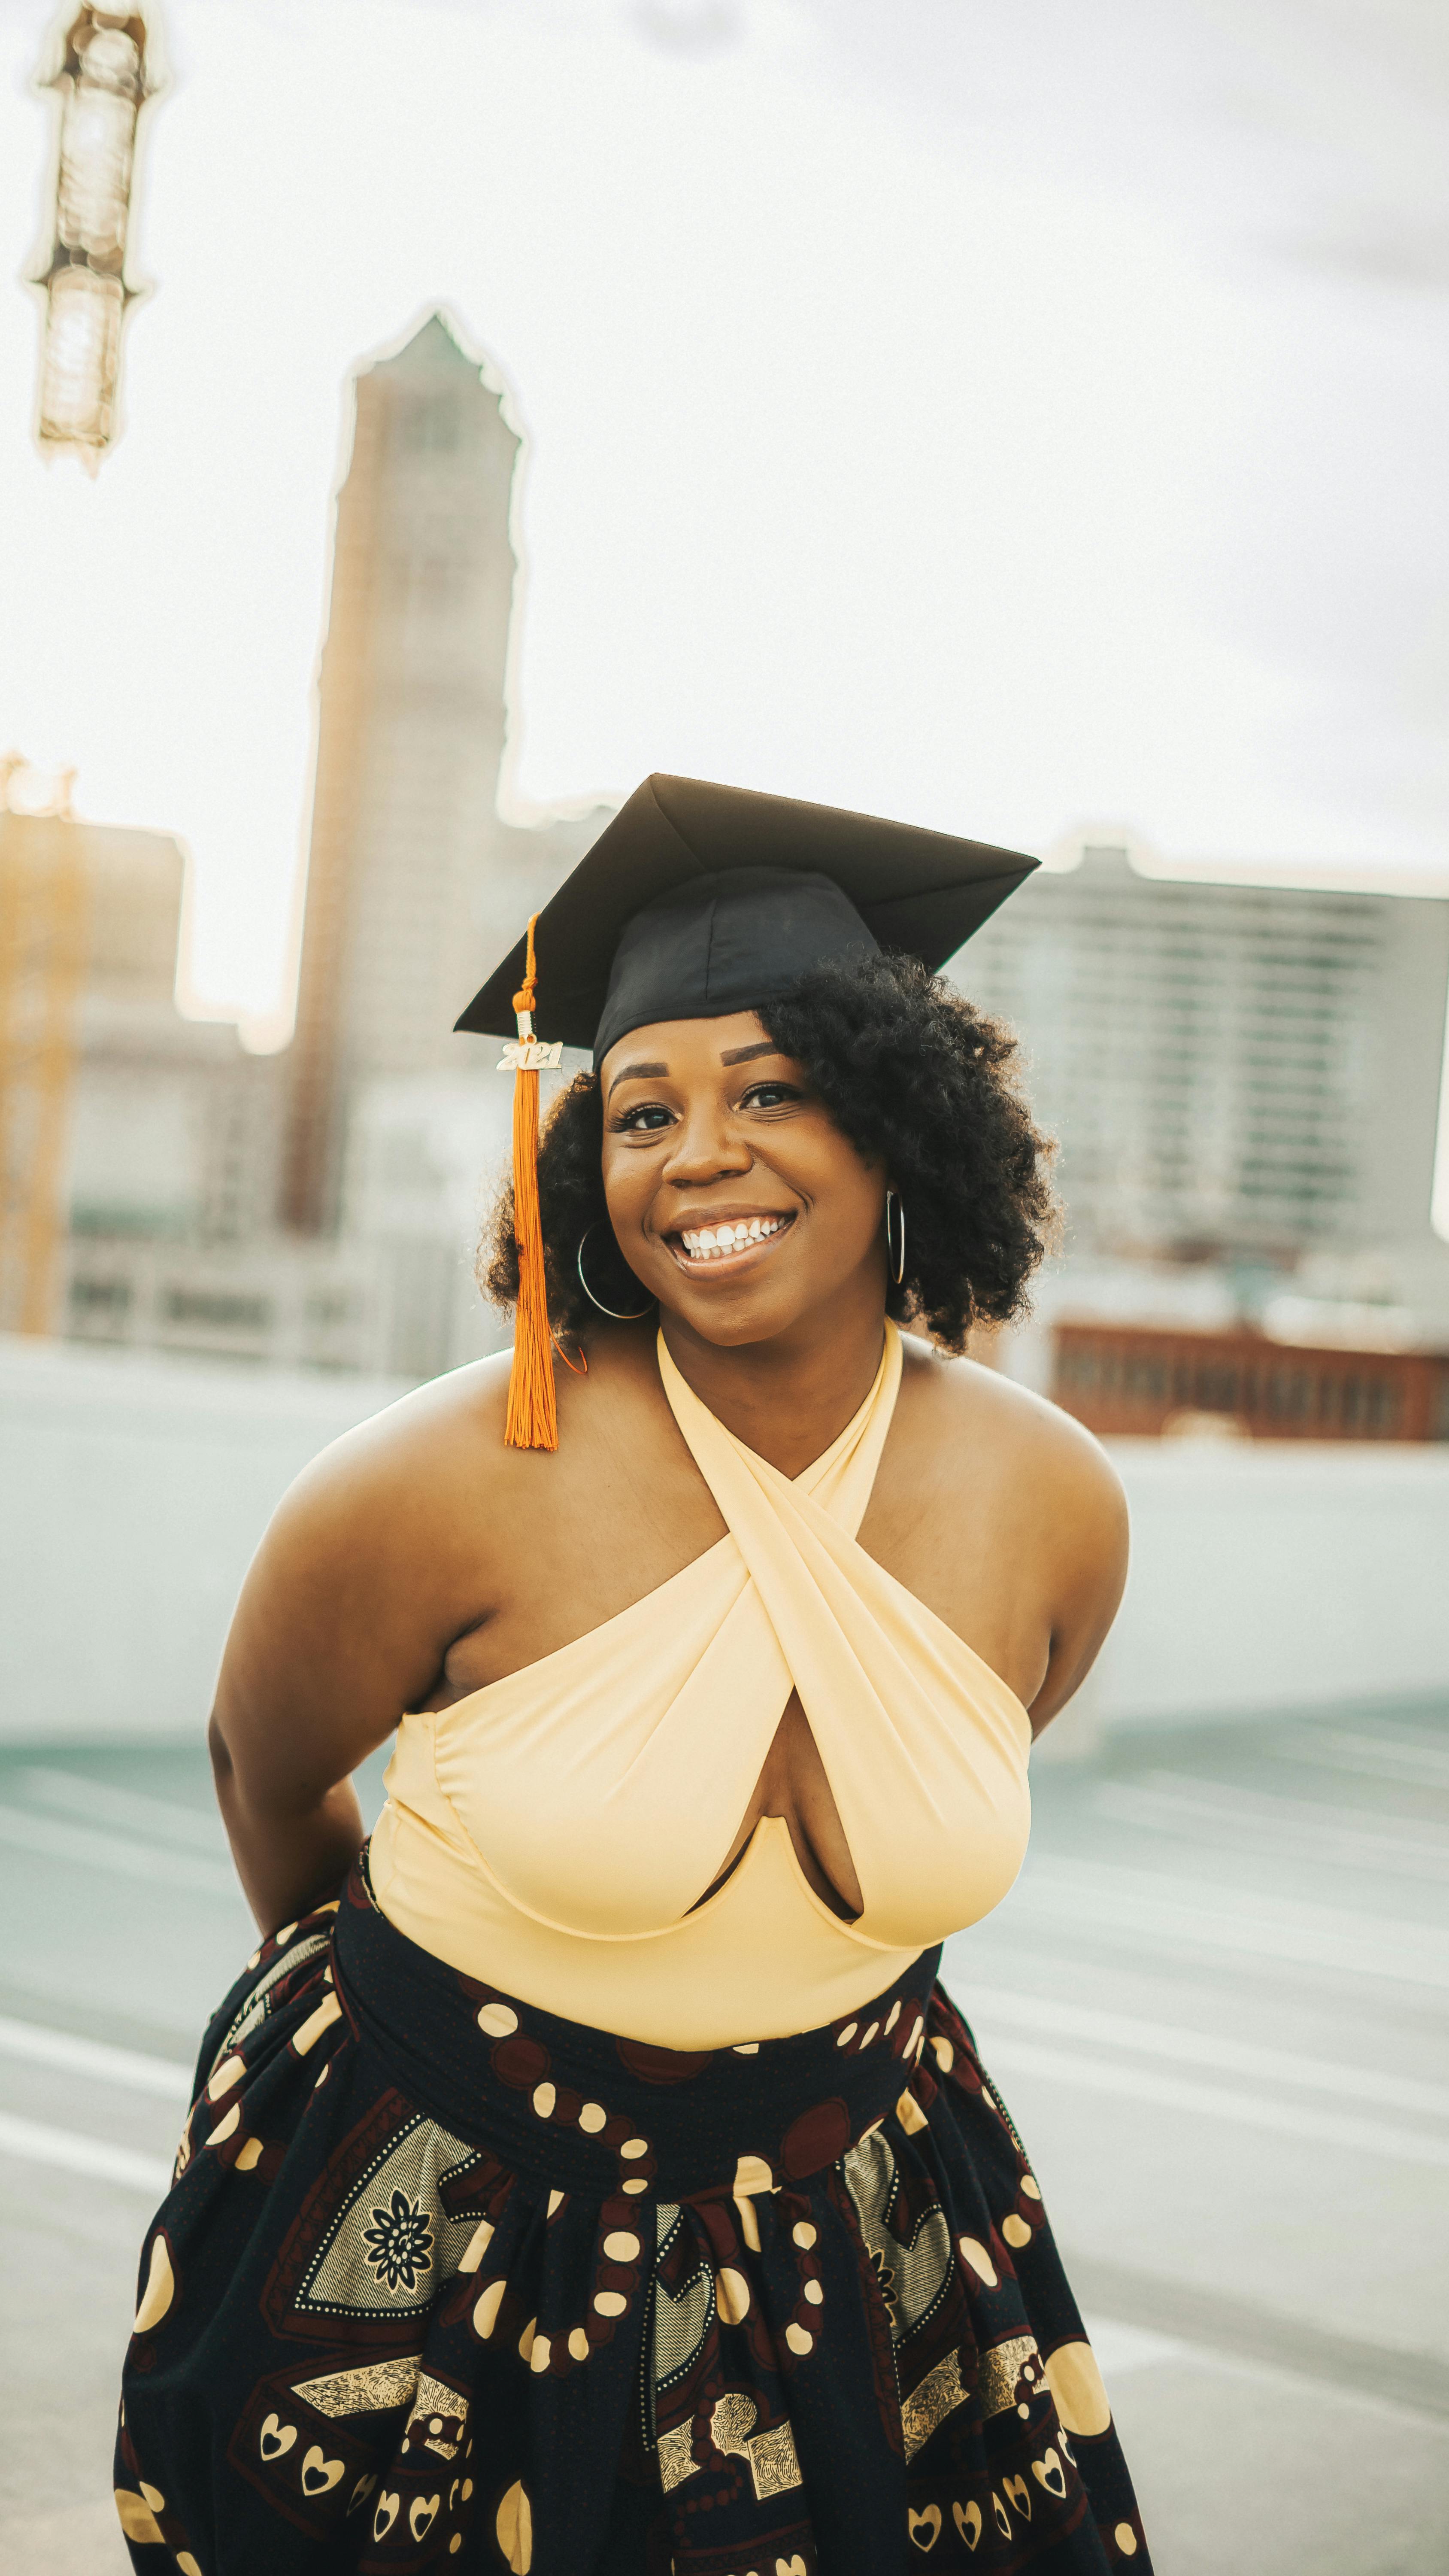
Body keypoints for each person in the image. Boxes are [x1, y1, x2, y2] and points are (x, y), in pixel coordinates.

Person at [115, 775, 1146, 2575]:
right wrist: (421, 2046)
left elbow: (945, 1799)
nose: (700, 1155)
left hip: (863, 2225)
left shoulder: (1047, 1502)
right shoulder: (430, 1483)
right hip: (445, 2219)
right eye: (643, 1108)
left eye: (772, 1090)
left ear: (904, 1122)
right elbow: (263, 1772)